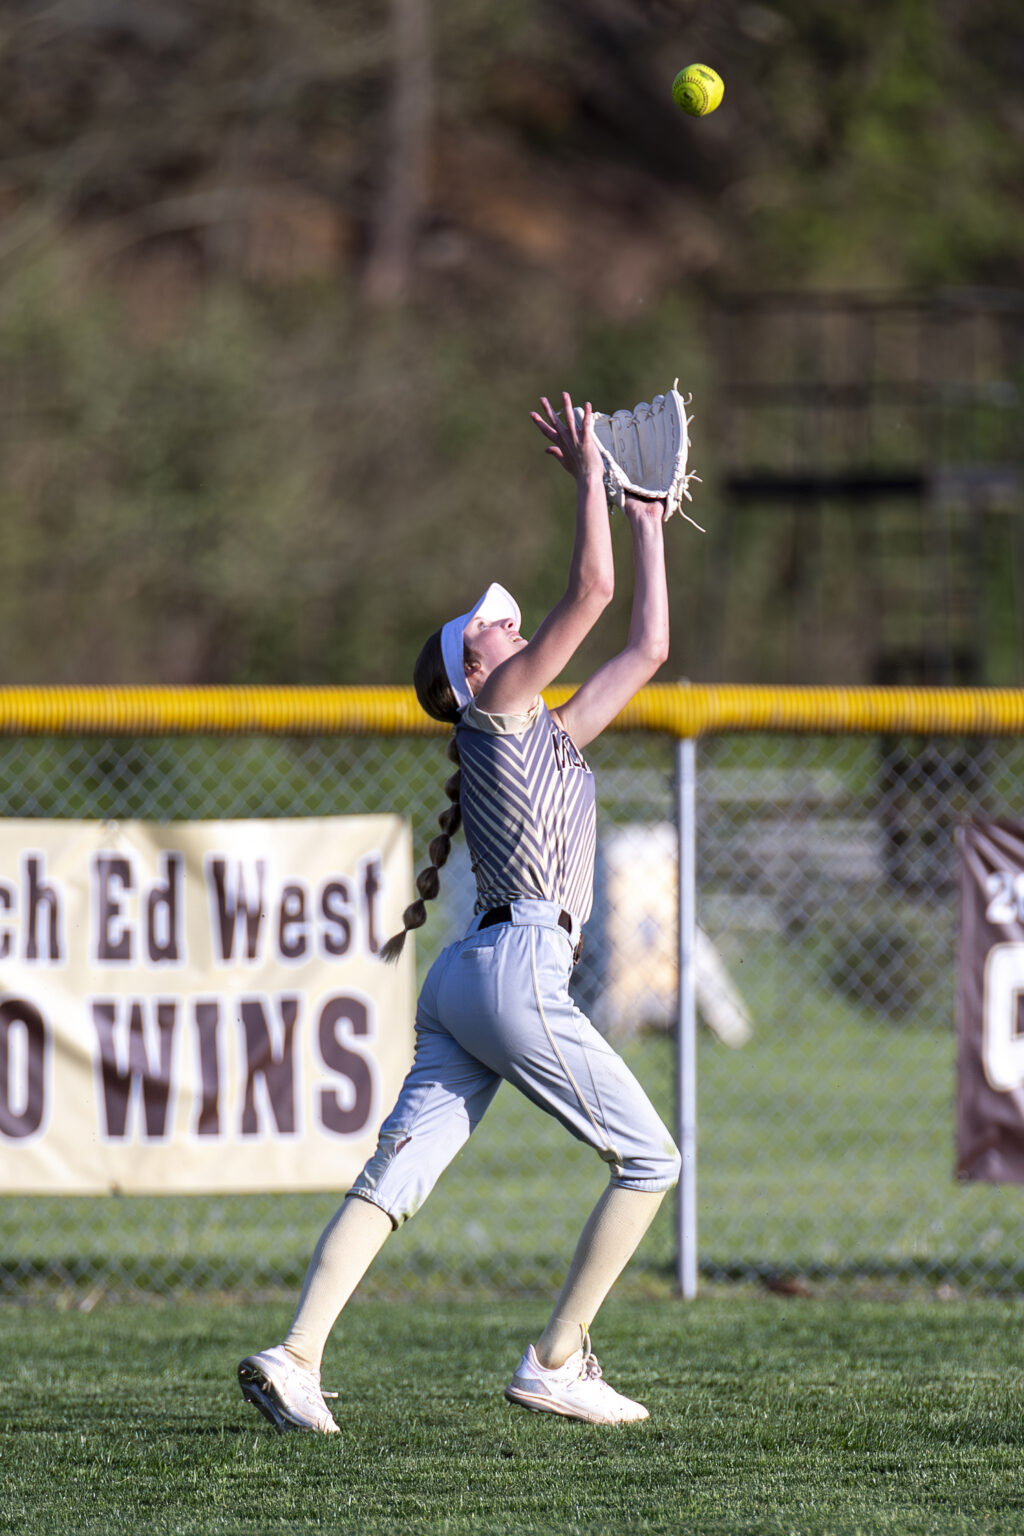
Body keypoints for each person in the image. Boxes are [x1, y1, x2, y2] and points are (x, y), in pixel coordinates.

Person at [238, 391, 682, 1432]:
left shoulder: (546, 734)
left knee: (394, 1175)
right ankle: (556, 1360)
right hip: (520, 965)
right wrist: (590, 482)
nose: (504, 619)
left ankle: (298, 1353)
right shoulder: (493, 709)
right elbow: (592, 591)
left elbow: (646, 646)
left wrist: (648, 521)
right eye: (489, 626)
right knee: (651, 1158)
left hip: (469, 981)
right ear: (472, 670)